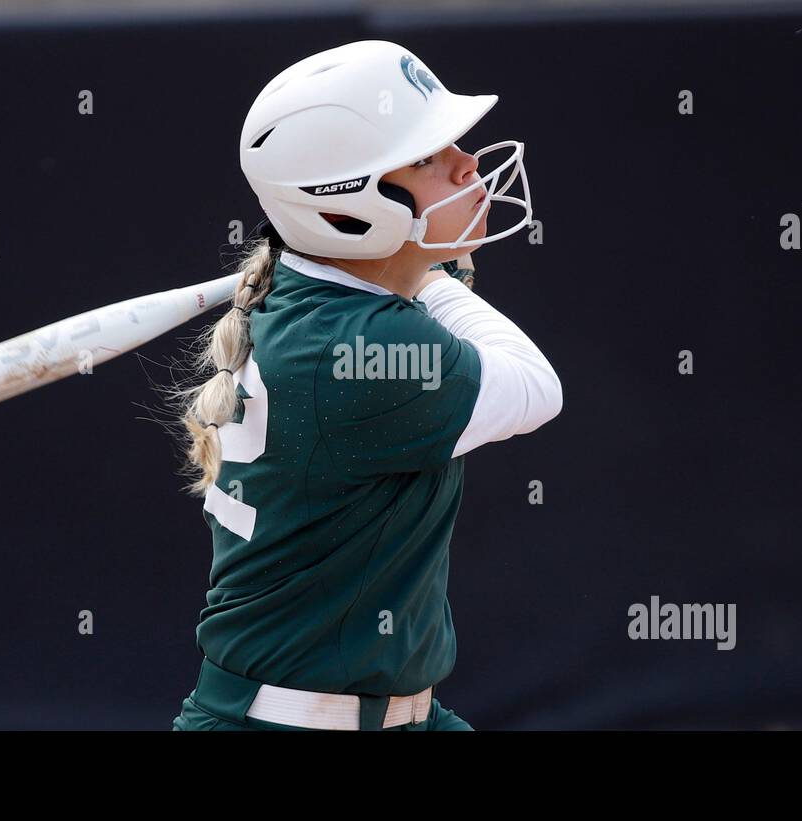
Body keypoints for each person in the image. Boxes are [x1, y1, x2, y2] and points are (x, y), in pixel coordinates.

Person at [170, 39, 561, 731]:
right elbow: (535, 386)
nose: (469, 164)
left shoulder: (319, 307)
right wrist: (434, 273)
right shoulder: (362, 346)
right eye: (428, 158)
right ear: (353, 206)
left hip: (385, 715)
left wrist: (418, 265)